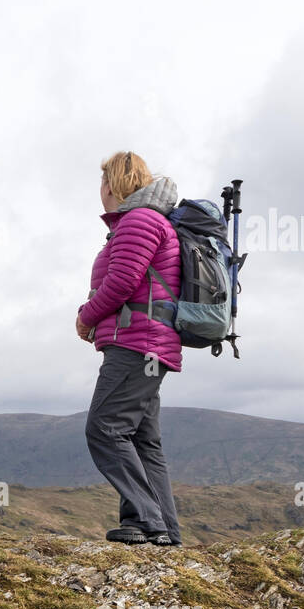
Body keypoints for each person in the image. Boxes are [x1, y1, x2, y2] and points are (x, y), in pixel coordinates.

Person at [75, 151, 182, 546]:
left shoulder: (138, 221)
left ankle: (145, 518)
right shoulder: (149, 220)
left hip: (137, 344)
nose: (100, 191)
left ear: (113, 184)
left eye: (102, 182)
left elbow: (122, 282)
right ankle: (163, 530)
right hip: (149, 346)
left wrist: (86, 317)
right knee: (141, 439)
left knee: (104, 428)